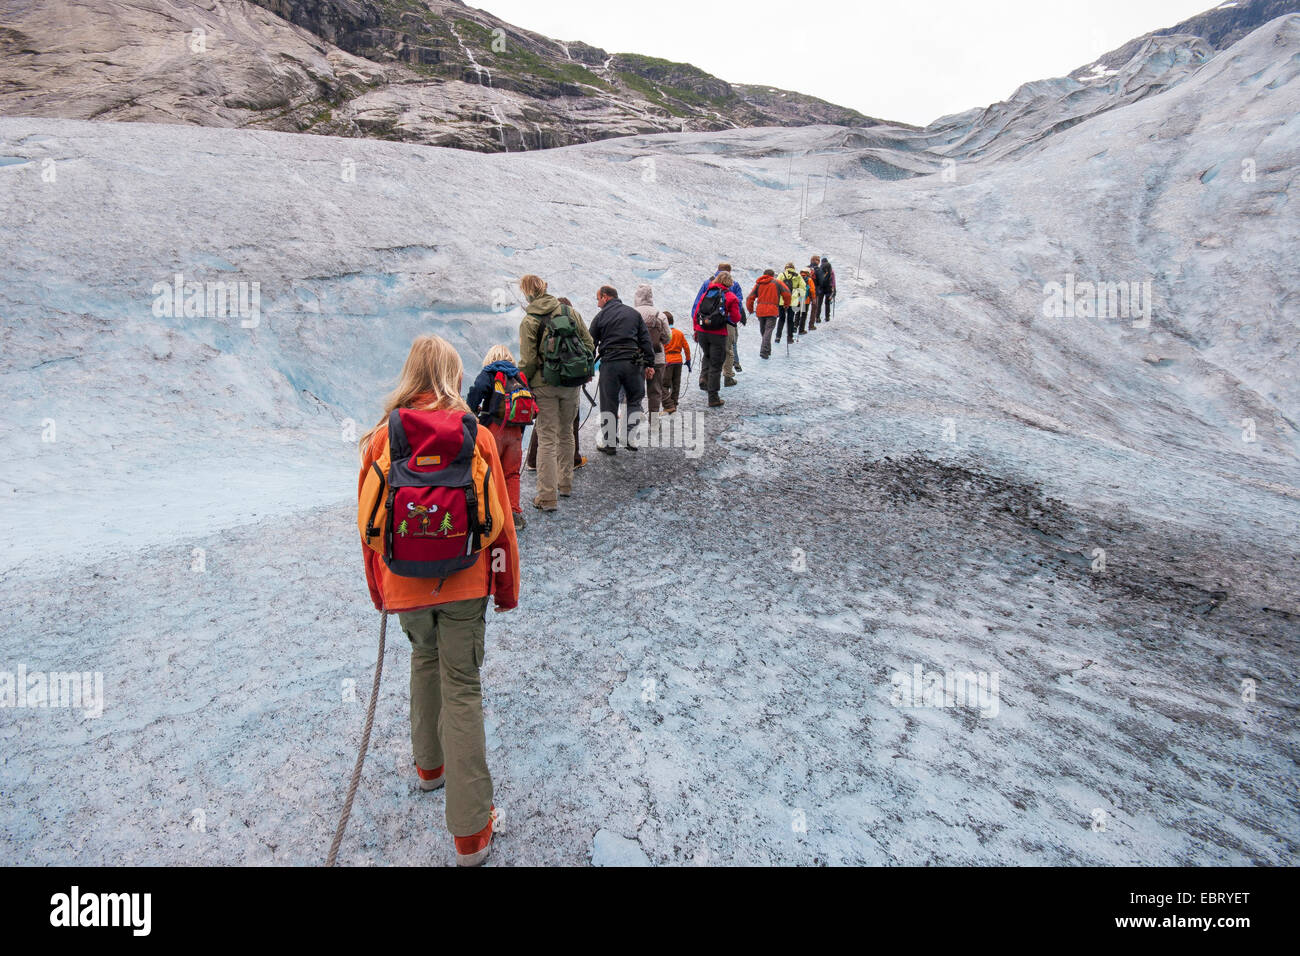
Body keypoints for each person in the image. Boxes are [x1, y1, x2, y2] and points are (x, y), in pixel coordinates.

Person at [357, 334, 519, 867]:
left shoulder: (381, 438)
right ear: (451, 375)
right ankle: (471, 834)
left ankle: (430, 768)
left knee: (423, 660)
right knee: (463, 686)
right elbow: (499, 531)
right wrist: (505, 588)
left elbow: (368, 530)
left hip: (405, 582)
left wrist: (382, 591)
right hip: (466, 580)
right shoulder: (475, 437)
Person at [518, 274, 594, 511]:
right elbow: (589, 344)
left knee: (547, 439)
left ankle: (547, 497)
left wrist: (523, 381)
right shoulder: (569, 313)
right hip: (571, 384)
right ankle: (566, 485)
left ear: (527, 292)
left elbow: (528, 361)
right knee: (566, 433)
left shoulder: (529, 320)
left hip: (544, 385)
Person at [466, 344, 530, 528]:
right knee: (512, 473)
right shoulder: (519, 376)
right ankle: (513, 514)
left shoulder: (489, 373)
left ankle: (489, 513)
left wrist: (470, 411)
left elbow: (476, 391)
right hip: (515, 432)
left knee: (489, 472)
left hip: (493, 430)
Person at [525, 296, 588, 473]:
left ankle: (533, 460)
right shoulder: (572, 322)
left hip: (545, 381)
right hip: (570, 381)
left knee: (544, 425)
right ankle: (571, 462)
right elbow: (588, 345)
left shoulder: (542, 323)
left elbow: (530, 356)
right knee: (569, 426)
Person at [590, 285, 655, 453]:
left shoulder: (600, 316)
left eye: (598, 299)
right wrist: (649, 364)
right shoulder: (634, 314)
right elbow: (645, 340)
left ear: (605, 297)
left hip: (610, 364)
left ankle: (609, 444)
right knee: (634, 399)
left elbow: (590, 343)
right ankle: (629, 437)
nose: (598, 304)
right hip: (633, 363)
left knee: (609, 403)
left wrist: (587, 367)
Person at [692, 269, 743, 408]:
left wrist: (696, 330)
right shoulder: (731, 297)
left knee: (707, 356)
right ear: (729, 282)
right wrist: (726, 317)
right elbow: (736, 317)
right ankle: (713, 398)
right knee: (716, 364)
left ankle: (703, 377)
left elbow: (696, 312)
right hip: (718, 334)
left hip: (702, 332)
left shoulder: (706, 293)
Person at [634, 283, 671, 422]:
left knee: (635, 390)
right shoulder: (659, 314)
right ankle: (654, 422)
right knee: (655, 392)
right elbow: (668, 338)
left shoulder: (632, 313)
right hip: (657, 358)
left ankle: (632, 421)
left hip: (637, 358)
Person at [746, 268, 791, 360]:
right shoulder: (777, 283)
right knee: (768, 331)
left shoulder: (759, 284)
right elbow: (787, 293)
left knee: (764, 331)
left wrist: (750, 309)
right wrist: (786, 305)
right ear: (773, 275)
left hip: (760, 310)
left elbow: (750, 297)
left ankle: (767, 350)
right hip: (772, 310)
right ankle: (764, 351)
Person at [662, 311, 690, 414]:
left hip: (667, 361)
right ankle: (674, 404)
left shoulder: (664, 333)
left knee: (663, 385)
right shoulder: (679, 333)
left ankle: (668, 405)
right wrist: (688, 360)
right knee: (676, 384)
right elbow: (686, 347)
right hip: (678, 361)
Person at [775, 263, 804, 346]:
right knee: (790, 319)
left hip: (782, 300)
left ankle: (778, 337)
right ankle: (790, 337)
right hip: (793, 301)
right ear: (793, 268)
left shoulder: (781, 275)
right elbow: (803, 287)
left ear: (786, 268)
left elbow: (776, 285)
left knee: (781, 319)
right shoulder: (798, 276)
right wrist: (800, 296)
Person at [816, 255, 836, 324]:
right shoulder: (831, 271)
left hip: (821, 289)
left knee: (819, 304)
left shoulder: (819, 270)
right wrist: (834, 290)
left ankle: (817, 317)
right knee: (827, 303)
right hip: (829, 289)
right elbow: (833, 281)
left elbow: (817, 280)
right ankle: (827, 317)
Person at [798, 267, 817, 335]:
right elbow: (812, 290)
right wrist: (813, 298)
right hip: (806, 300)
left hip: (798, 299)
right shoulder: (809, 280)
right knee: (803, 315)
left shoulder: (797, 278)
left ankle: (794, 327)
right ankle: (801, 330)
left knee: (797, 314)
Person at [807, 256, 822, 331]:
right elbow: (821, 281)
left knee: (802, 309)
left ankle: (797, 325)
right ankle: (811, 325)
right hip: (815, 292)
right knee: (814, 308)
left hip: (805, 291)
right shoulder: (819, 270)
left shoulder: (806, 268)